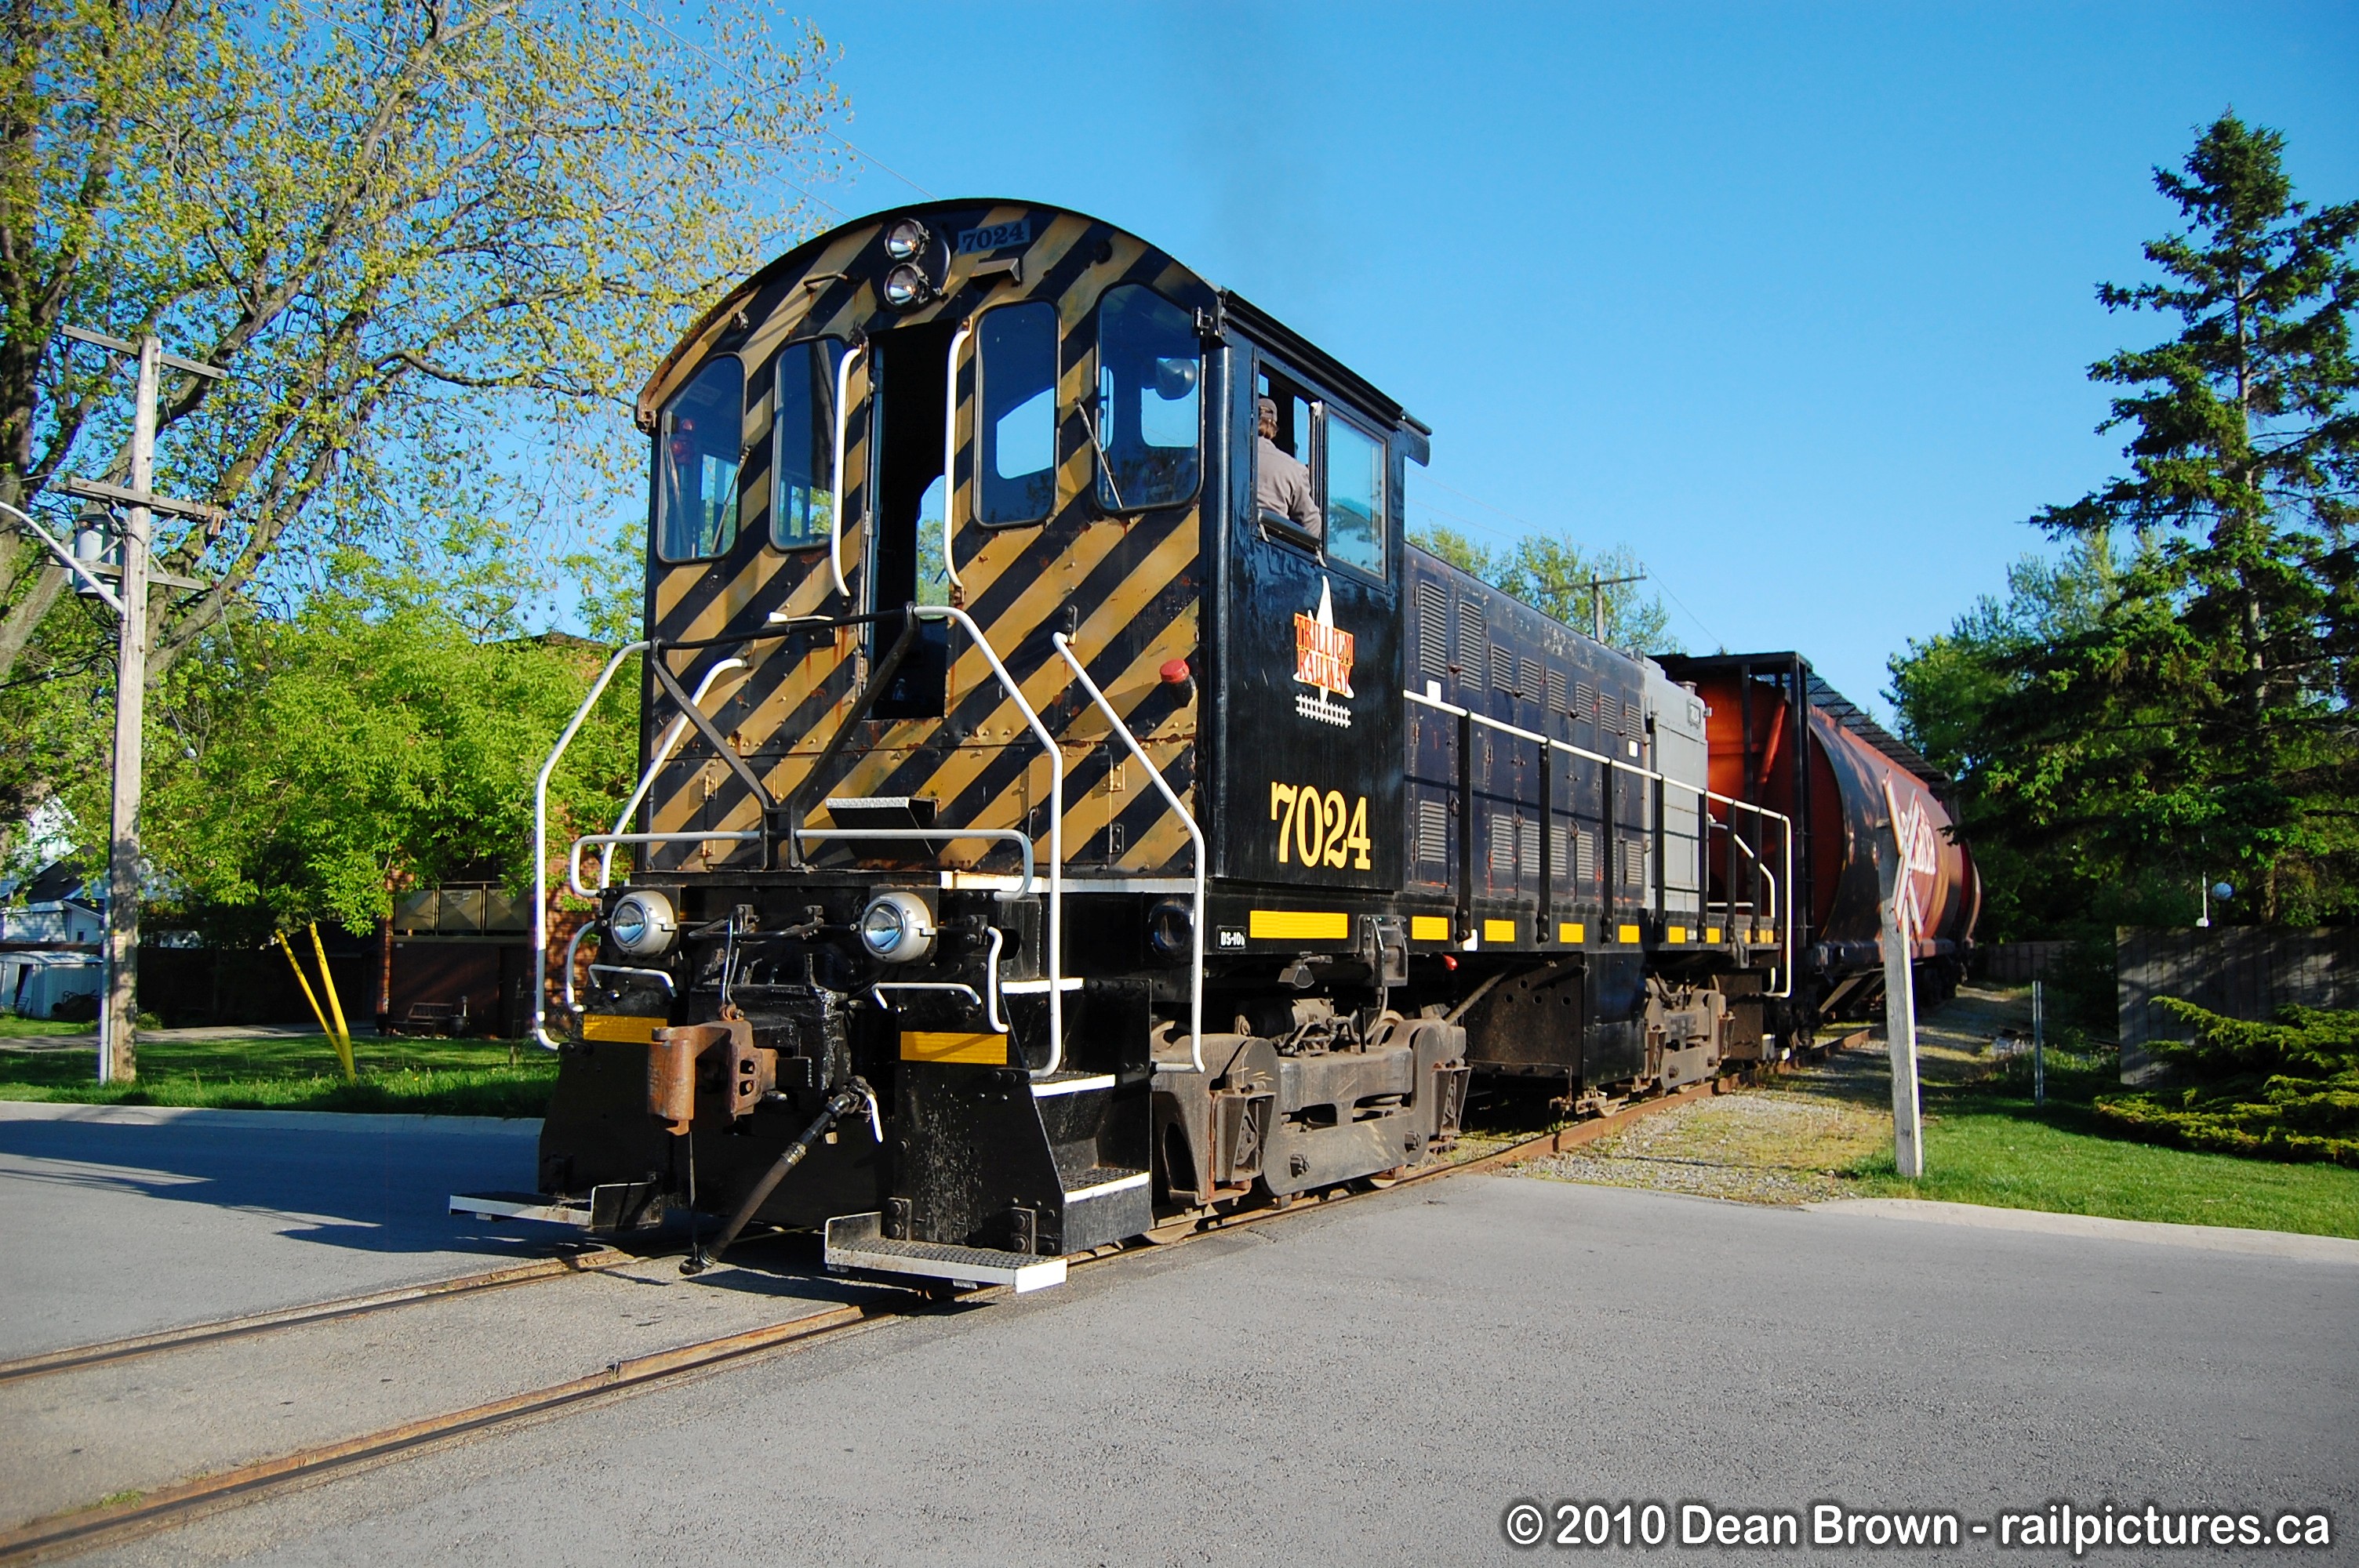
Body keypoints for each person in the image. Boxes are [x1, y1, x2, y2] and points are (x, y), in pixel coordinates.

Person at [1255, 396, 1321, 540]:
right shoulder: (1294, 469)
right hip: (1272, 550)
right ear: (1273, 427)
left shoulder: (1211, 452)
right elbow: (1312, 523)